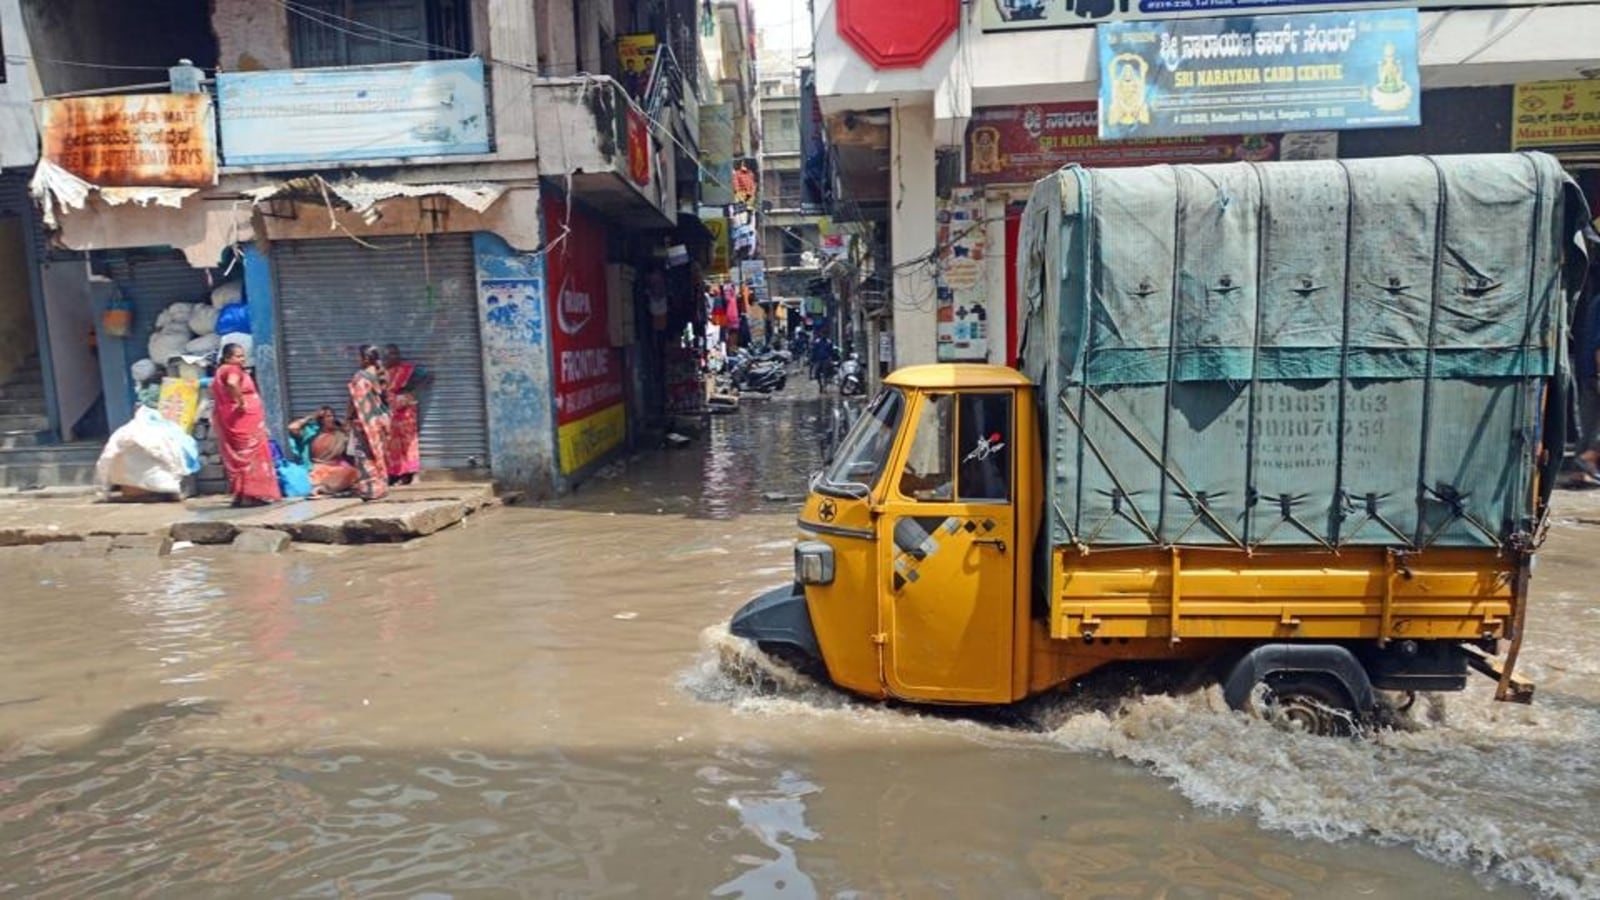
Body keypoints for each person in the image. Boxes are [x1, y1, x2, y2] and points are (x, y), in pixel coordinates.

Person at [211, 343, 282, 507]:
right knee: (251, 453)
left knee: (239, 455)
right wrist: (241, 401)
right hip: (243, 420)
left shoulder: (220, 371)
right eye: (238, 356)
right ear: (228, 358)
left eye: (243, 356)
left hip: (230, 418)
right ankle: (251, 495)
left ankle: (240, 494)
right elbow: (232, 383)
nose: (242, 359)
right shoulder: (232, 370)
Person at [347, 345, 392, 501]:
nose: (356, 359)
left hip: (365, 422)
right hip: (380, 421)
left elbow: (355, 401)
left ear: (365, 359)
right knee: (378, 454)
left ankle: (371, 489)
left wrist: (347, 418)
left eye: (358, 356)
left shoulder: (360, 377)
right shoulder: (381, 375)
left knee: (365, 455)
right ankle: (383, 486)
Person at [383, 343, 431, 486]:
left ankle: (414, 474)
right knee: (393, 445)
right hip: (390, 411)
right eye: (390, 354)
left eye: (396, 354)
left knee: (409, 442)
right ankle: (399, 475)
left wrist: (411, 391)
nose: (394, 357)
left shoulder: (407, 370)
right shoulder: (382, 372)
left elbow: (427, 376)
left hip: (406, 412)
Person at [287, 406, 361, 496]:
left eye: (332, 416)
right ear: (321, 420)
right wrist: (312, 417)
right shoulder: (311, 433)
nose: (331, 419)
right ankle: (324, 488)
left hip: (338, 469)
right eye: (328, 416)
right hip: (319, 470)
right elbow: (292, 427)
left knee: (354, 473)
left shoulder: (340, 433)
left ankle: (326, 488)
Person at [1573, 285, 1600, 488]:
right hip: (1596, 368)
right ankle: (1591, 456)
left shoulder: (1595, 301)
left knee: (1589, 423)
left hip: (1587, 369)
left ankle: (1581, 471)